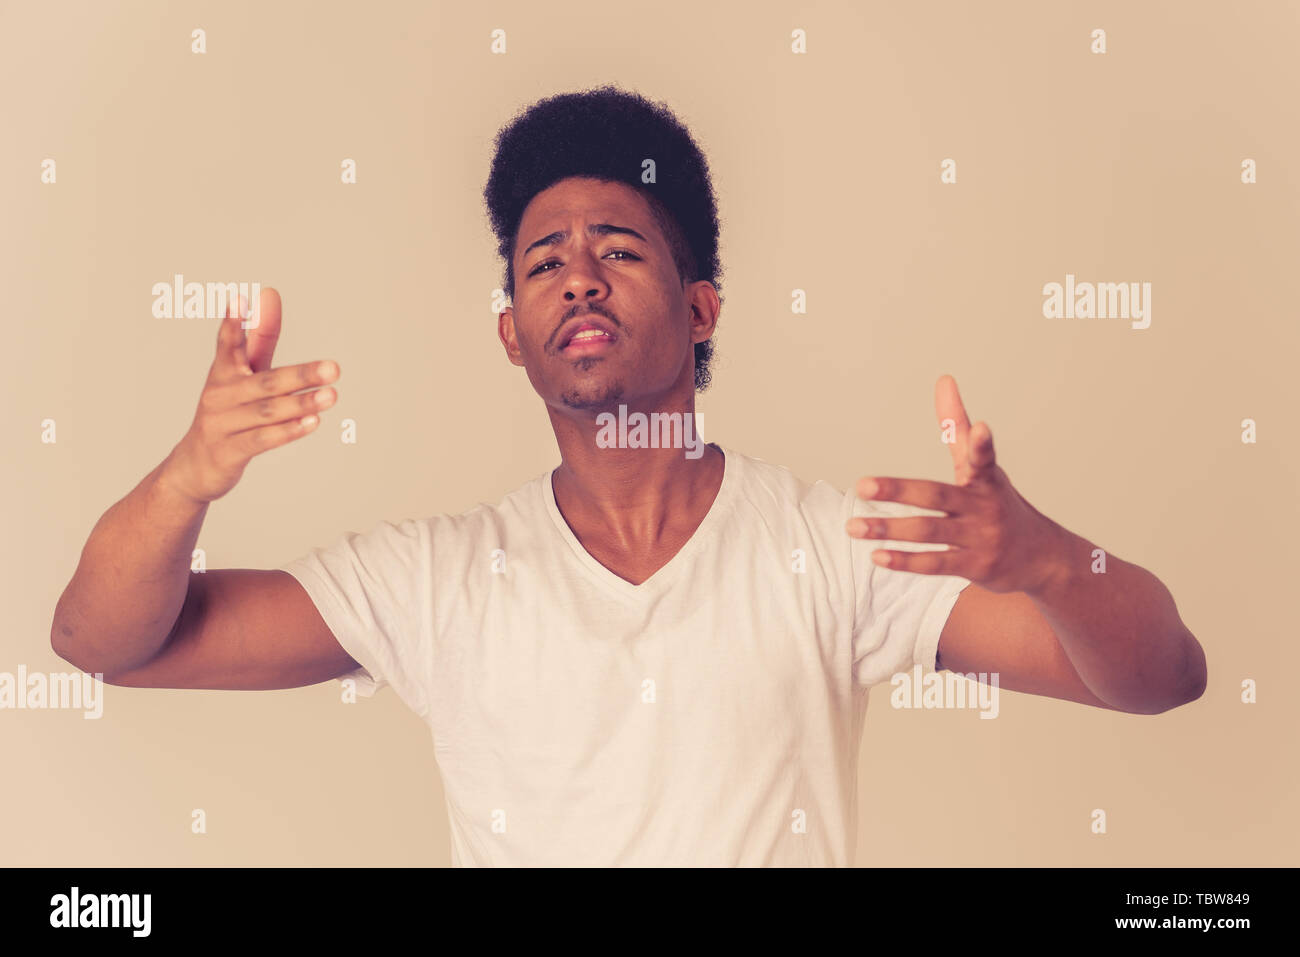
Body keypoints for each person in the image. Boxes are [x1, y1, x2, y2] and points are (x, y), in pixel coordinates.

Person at [51, 85, 1207, 866]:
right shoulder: (435, 579)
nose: (579, 279)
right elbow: (105, 645)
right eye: (543, 262)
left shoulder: (834, 550)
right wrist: (185, 482)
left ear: (700, 308)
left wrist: (1052, 561)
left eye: (618, 250)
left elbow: (1161, 675)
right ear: (513, 333)